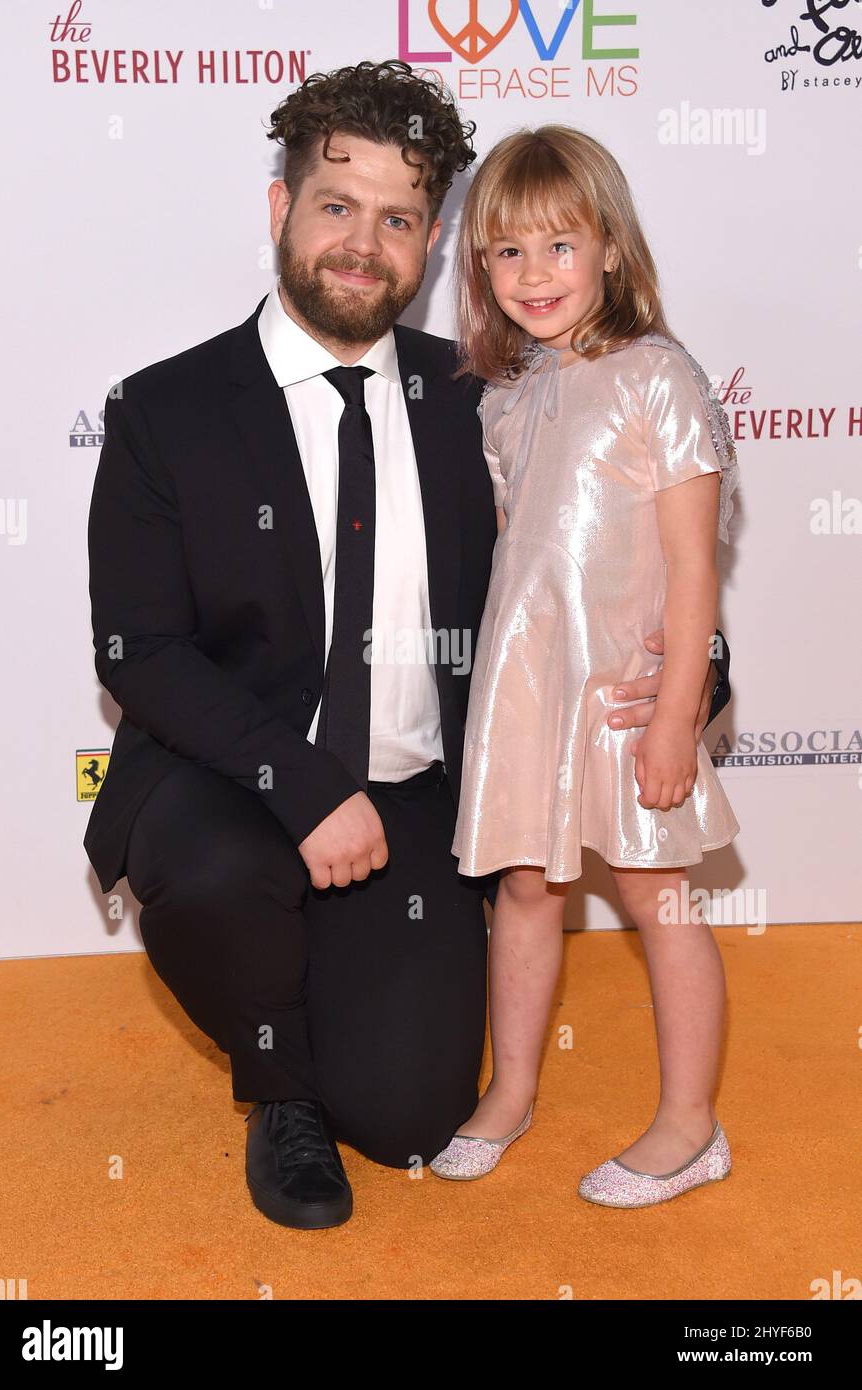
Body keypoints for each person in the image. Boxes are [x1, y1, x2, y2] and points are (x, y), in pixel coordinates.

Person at [84, 66, 733, 1230]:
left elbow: (594, 553)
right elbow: (138, 650)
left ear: (431, 243)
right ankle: (277, 1085)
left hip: (414, 806)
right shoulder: (163, 409)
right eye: (336, 204)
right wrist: (302, 782)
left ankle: (347, 1002)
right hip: (235, 787)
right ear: (279, 210)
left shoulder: (476, 391)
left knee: (405, 1118)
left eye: (396, 218)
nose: (361, 241)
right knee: (222, 874)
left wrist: (688, 677)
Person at [430, 125, 740, 1209]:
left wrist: (677, 710)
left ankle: (689, 1124)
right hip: (528, 699)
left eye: (558, 247)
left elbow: (692, 567)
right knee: (522, 887)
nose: (533, 276)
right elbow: (525, 565)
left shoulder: (658, 376)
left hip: (624, 699)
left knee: (657, 896)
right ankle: (510, 1088)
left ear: (607, 245)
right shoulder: (504, 399)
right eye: (505, 253)